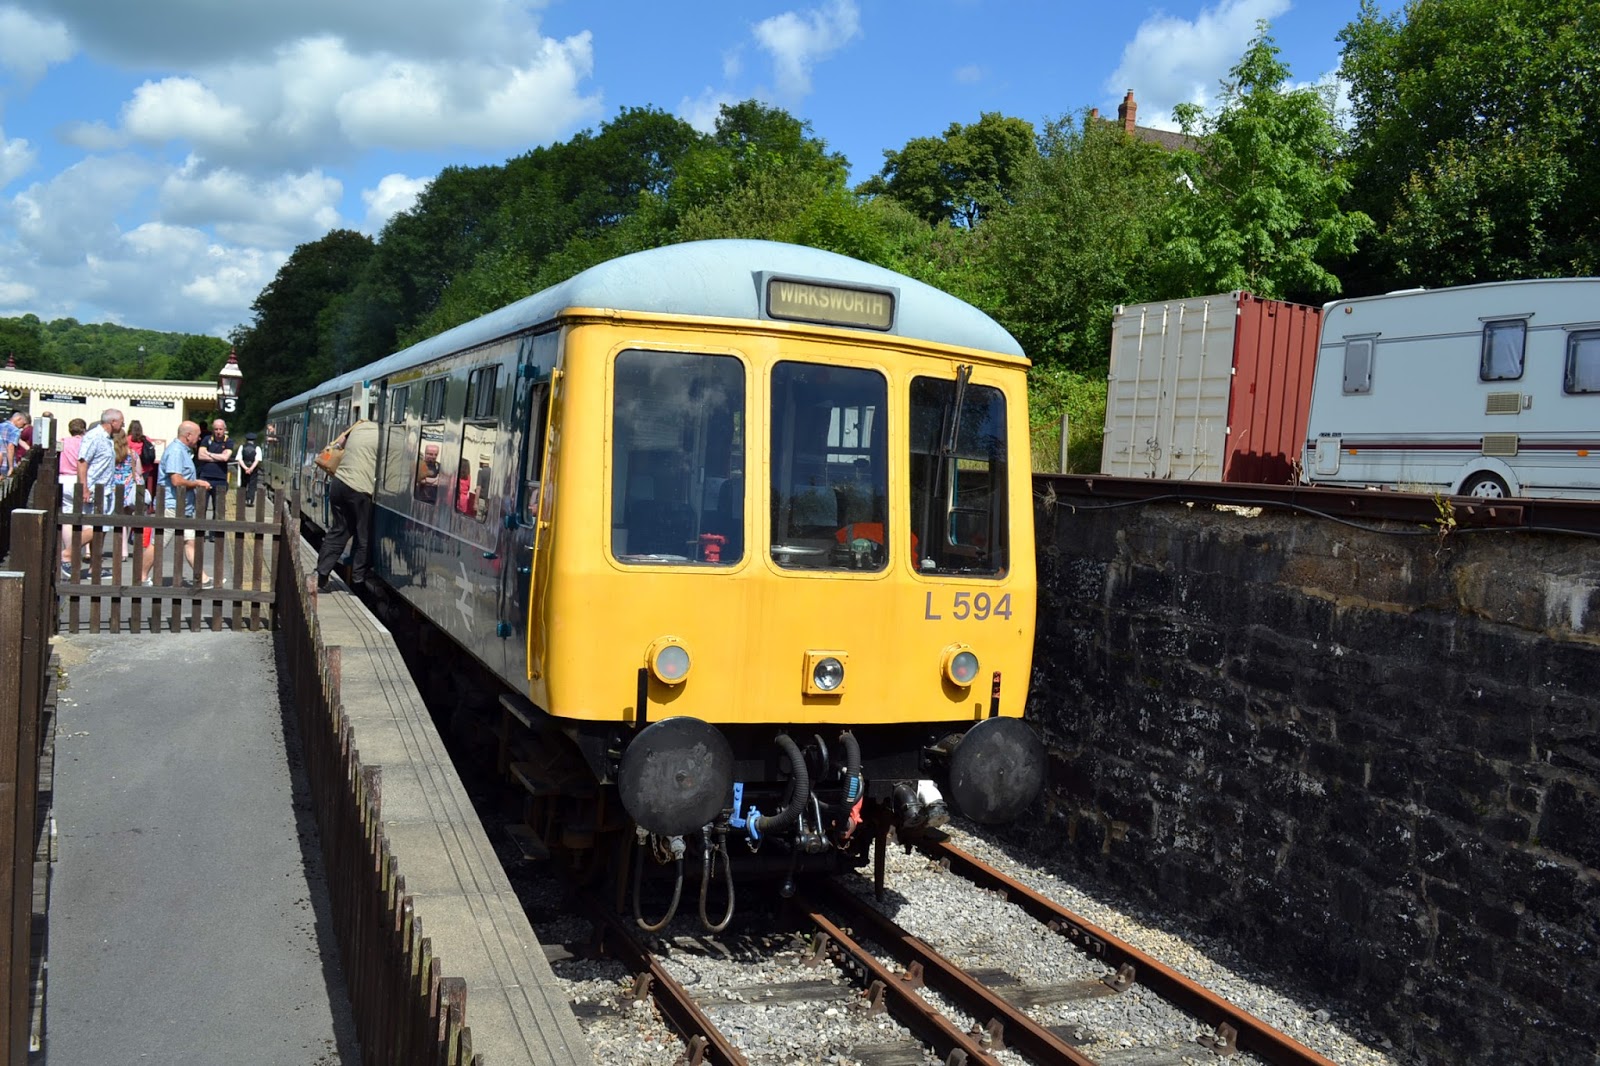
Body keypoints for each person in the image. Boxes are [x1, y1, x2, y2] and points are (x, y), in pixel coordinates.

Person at [139, 421, 211, 588]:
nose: (199, 438)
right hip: (171, 505)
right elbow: (176, 480)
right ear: (188, 436)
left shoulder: (183, 451)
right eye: (198, 435)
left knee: (190, 541)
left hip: (184, 506)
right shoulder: (176, 451)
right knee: (159, 542)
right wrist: (197, 483)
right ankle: (141, 576)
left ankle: (203, 578)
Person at [315, 418, 380, 591]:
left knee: (339, 529)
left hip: (339, 483)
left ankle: (321, 573)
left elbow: (339, 443)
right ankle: (358, 580)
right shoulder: (386, 436)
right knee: (363, 535)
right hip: (360, 488)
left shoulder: (357, 428)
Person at [58, 418, 87, 570]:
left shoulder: (62, 442)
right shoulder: (85, 443)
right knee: (86, 515)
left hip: (63, 478)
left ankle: (69, 549)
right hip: (78, 478)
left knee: (68, 517)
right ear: (84, 429)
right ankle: (84, 550)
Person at [196, 419, 234, 536]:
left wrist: (209, 454)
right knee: (202, 507)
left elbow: (225, 458)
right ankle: (200, 533)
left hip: (220, 479)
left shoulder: (229, 441)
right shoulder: (207, 439)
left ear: (224, 429)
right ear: (213, 430)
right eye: (216, 429)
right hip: (205, 477)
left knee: (218, 508)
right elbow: (200, 455)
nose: (218, 431)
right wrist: (218, 457)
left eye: (220, 429)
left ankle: (214, 534)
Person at [111, 429, 142, 559]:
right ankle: (125, 549)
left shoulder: (111, 453)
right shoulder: (132, 453)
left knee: (119, 518)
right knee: (127, 517)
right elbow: (139, 471)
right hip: (129, 485)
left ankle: (121, 549)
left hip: (115, 486)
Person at [129, 420, 159, 503]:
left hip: (133, 469)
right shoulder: (146, 439)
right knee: (142, 486)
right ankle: (140, 502)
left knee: (131, 488)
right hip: (146, 468)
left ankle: (132, 503)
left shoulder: (128, 439)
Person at [238, 432, 262, 507]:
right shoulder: (257, 448)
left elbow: (239, 459)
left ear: (246, 439)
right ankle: (250, 500)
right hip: (253, 469)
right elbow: (257, 460)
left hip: (244, 468)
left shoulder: (242, 447)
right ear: (254, 440)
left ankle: (242, 499)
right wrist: (251, 468)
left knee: (243, 483)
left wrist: (245, 468)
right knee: (252, 484)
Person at [0, 411, 23, 475]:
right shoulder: (15, 430)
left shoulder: (0, 426)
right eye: (23, 424)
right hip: (5, 464)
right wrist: (11, 467)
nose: (22, 427)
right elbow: (10, 447)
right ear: (19, 419)